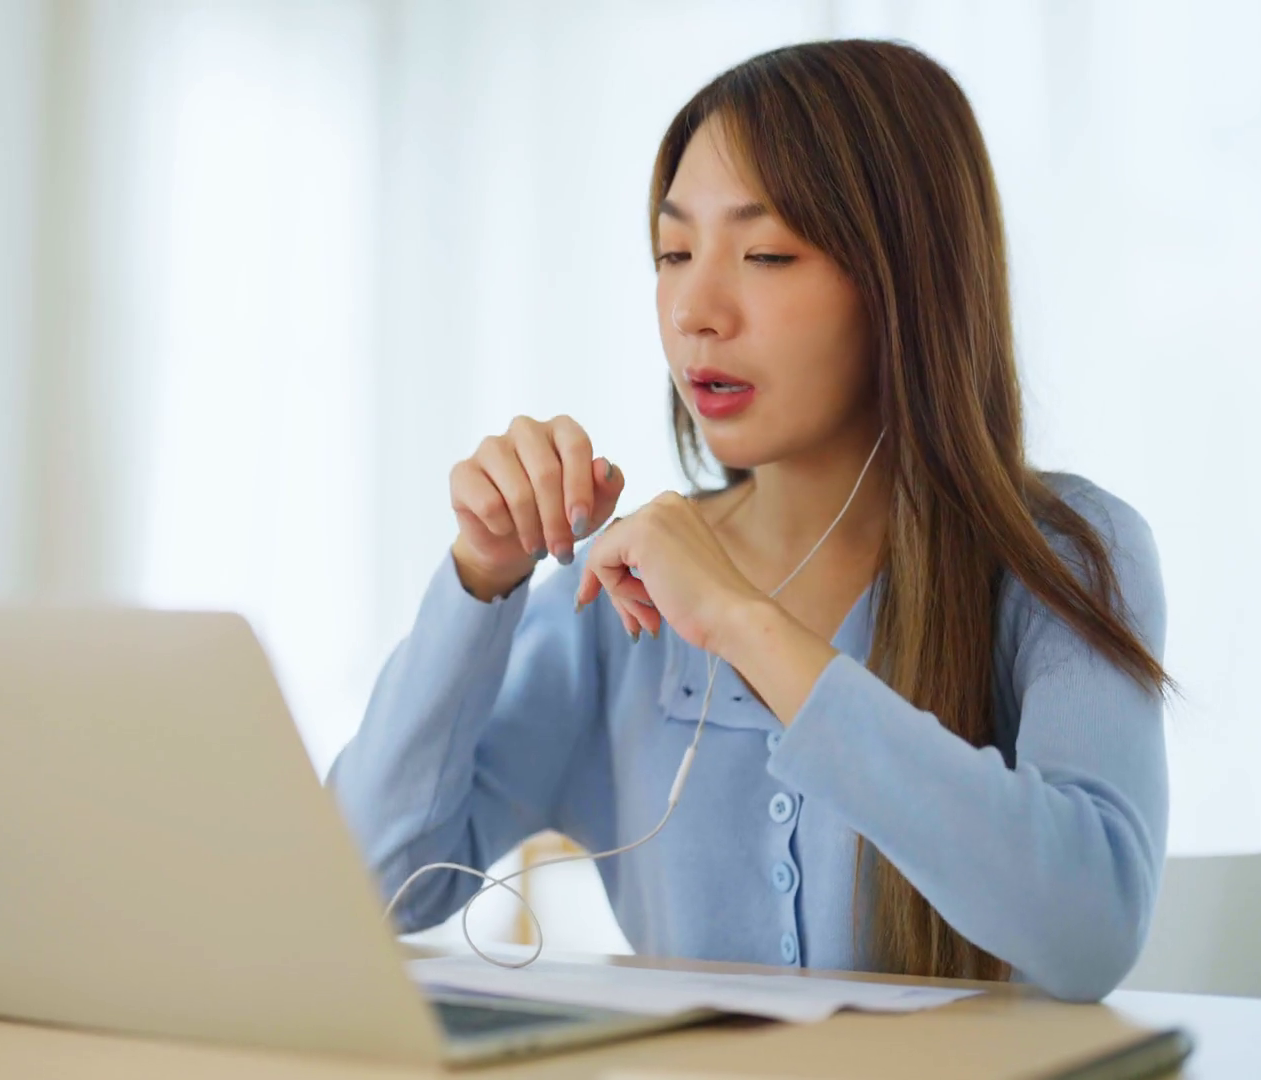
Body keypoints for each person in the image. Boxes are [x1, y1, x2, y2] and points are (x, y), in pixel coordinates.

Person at [327, 39, 1169, 1003]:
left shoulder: (1064, 557)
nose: (694, 309)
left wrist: (745, 622)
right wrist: (482, 577)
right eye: (673, 253)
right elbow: (361, 890)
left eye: (765, 254)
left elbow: (1091, 930)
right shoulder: (614, 605)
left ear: (907, 280)